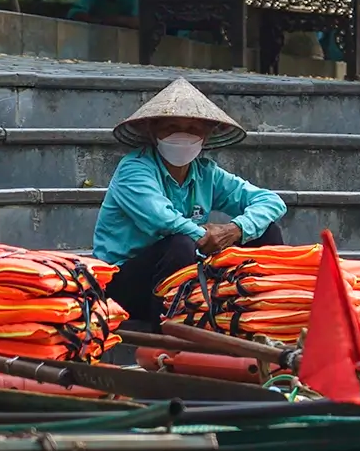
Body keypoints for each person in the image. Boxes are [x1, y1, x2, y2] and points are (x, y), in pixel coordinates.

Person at [92, 79, 287, 328]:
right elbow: (163, 220)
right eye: (172, 127)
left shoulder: (207, 173)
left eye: (193, 128)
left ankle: (260, 320)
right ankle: (167, 335)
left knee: (267, 231)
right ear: (154, 132)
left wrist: (235, 230)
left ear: (205, 136)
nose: (183, 135)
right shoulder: (134, 170)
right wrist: (210, 239)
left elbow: (271, 201)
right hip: (124, 285)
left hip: (190, 272)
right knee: (180, 245)